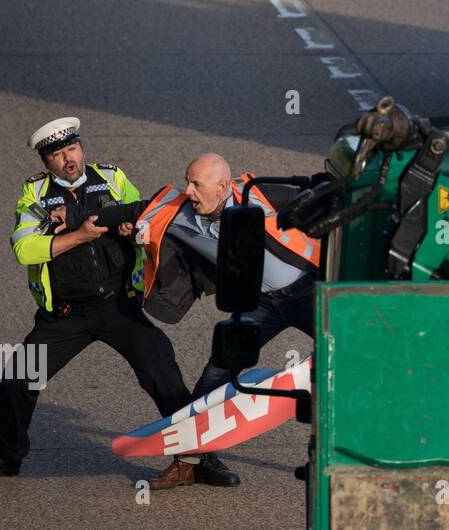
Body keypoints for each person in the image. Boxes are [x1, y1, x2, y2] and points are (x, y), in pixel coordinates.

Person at [0, 118, 233, 488]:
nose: (67, 159)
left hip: (118, 306)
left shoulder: (111, 178)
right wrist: (79, 236)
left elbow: (147, 218)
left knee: (162, 372)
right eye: (57, 154)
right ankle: (9, 455)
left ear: (81, 148)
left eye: (71, 149)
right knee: (17, 380)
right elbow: (24, 249)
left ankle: (199, 458)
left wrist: (133, 232)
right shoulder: (34, 195)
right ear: (46, 161)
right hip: (65, 315)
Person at [136, 153, 320, 489]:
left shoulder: (259, 196)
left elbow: (316, 199)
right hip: (258, 303)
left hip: (306, 293)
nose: (189, 191)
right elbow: (128, 212)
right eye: (187, 181)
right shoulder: (180, 212)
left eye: (197, 184)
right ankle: (188, 462)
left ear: (223, 186)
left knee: (356, 354)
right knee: (216, 375)